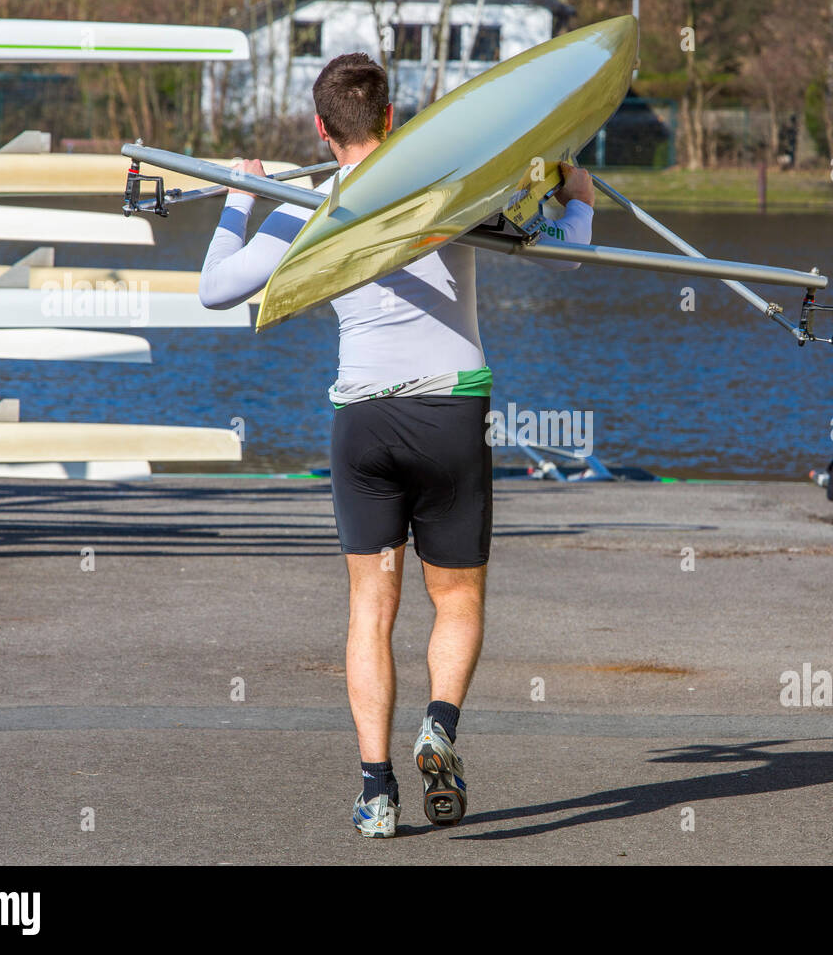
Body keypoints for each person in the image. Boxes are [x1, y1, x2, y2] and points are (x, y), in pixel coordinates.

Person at [198, 52, 596, 837]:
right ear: (391, 118)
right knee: (457, 599)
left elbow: (217, 289)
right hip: (449, 415)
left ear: (320, 127)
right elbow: (566, 247)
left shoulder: (304, 203)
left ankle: (377, 792)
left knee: (370, 607)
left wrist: (239, 201)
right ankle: (439, 726)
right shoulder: (451, 186)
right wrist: (574, 192)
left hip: (364, 426)